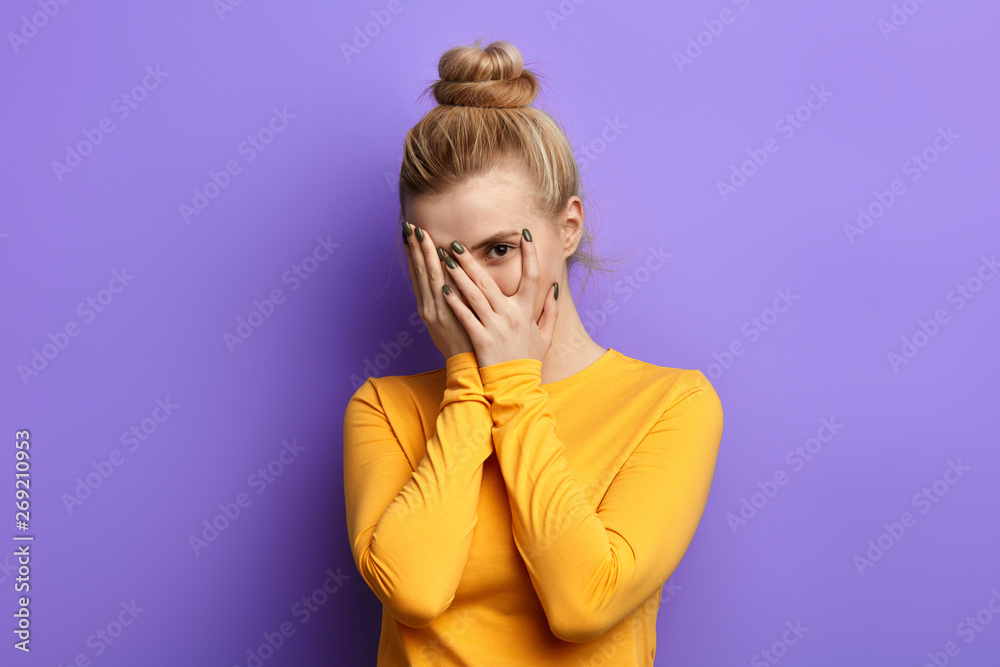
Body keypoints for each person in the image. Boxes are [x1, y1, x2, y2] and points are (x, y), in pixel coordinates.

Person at [343, 38, 725, 666]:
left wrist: (515, 388)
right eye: (444, 258)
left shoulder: (670, 404)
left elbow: (584, 604)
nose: (471, 287)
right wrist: (470, 383)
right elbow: (413, 591)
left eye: (498, 249)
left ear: (568, 227)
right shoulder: (385, 409)